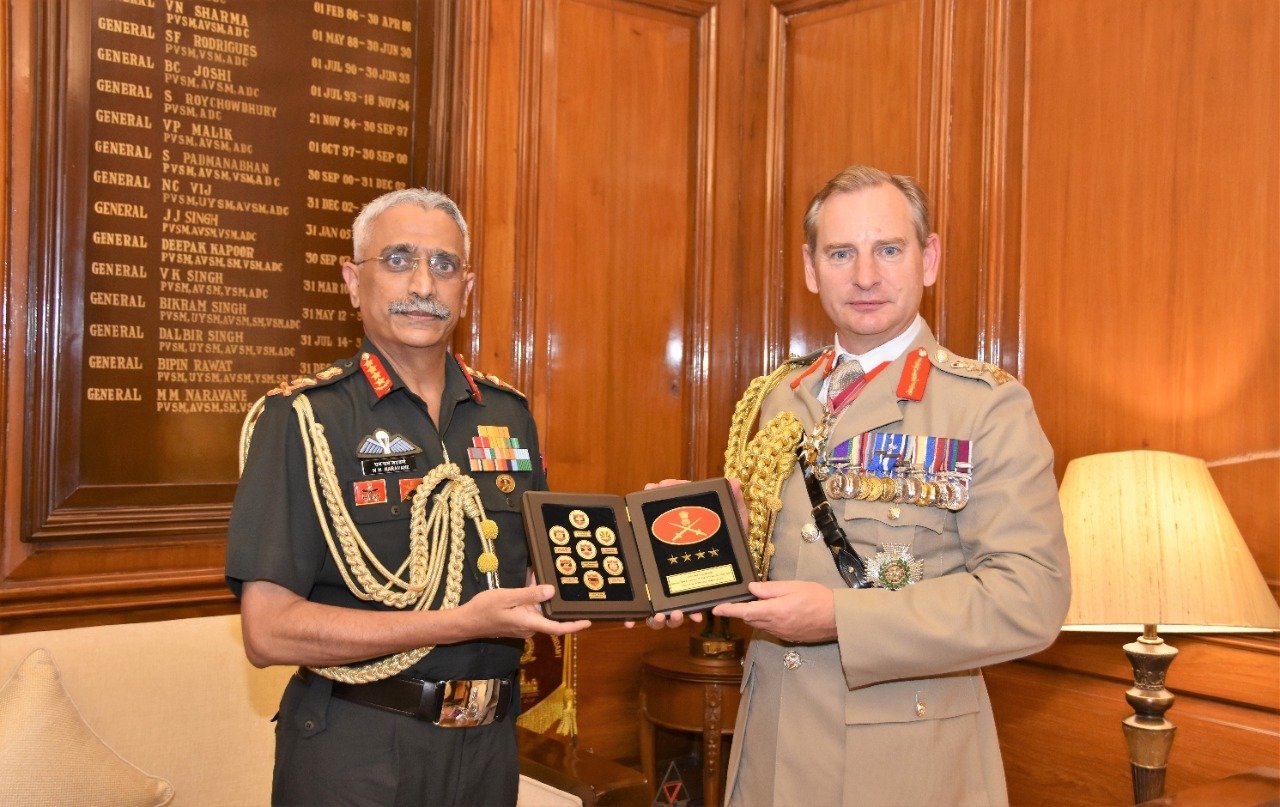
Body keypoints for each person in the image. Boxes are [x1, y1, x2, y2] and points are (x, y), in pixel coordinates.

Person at [698, 165, 1070, 805]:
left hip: (903, 763)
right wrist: (705, 528)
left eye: (888, 250)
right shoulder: (782, 396)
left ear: (928, 259)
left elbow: (1030, 597)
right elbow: (780, 555)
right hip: (773, 747)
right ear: (812, 270)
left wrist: (842, 619)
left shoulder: (985, 407)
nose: (865, 276)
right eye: (841, 253)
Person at [226, 188, 590, 806]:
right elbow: (269, 633)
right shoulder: (304, 419)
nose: (424, 282)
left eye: (444, 265)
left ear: (466, 288)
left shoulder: (507, 414)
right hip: (358, 749)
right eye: (397, 260)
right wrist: (455, 624)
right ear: (352, 280)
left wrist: (652, 573)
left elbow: (541, 574)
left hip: (487, 752)